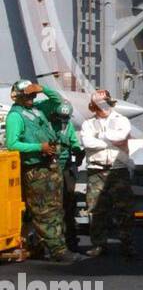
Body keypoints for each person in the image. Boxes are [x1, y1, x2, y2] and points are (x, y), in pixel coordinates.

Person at [4, 79, 71, 262]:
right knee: (44, 211)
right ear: (17, 96)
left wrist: (43, 88)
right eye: (28, 95)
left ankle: (50, 247)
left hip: (50, 166)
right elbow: (12, 144)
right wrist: (39, 147)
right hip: (35, 170)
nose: (31, 98)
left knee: (56, 208)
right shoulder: (15, 116)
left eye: (33, 95)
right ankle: (57, 250)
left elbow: (59, 103)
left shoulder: (37, 108)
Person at [80, 88, 136, 258]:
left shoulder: (122, 120)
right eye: (98, 105)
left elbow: (122, 135)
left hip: (118, 169)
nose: (102, 108)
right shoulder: (87, 124)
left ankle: (127, 244)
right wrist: (110, 142)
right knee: (96, 210)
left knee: (124, 209)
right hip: (96, 170)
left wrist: (100, 136)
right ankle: (99, 245)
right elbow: (87, 142)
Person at [49, 101, 84, 252]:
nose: (63, 122)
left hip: (67, 167)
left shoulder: (68, 125)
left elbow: (73, 141)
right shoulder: (48, 125)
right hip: (51, 167)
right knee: (53, 205)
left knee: (69, 203)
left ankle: (70, 238)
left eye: (66, 119)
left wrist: (77, 150)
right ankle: (54, 239)